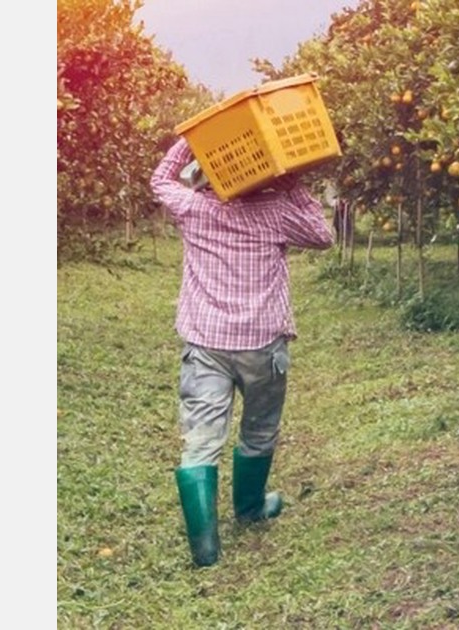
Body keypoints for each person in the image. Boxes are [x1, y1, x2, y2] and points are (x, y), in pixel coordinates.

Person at [150, 137, 335, 567]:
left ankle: (206, 551)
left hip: (206, 345)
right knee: (259, 430)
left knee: (200, 442)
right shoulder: (274, 211)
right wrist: (292, 183)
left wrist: (191, 139)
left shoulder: (194, 208)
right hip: (262, 346)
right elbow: (323, 236)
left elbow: (161, 179)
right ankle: (250, 509)